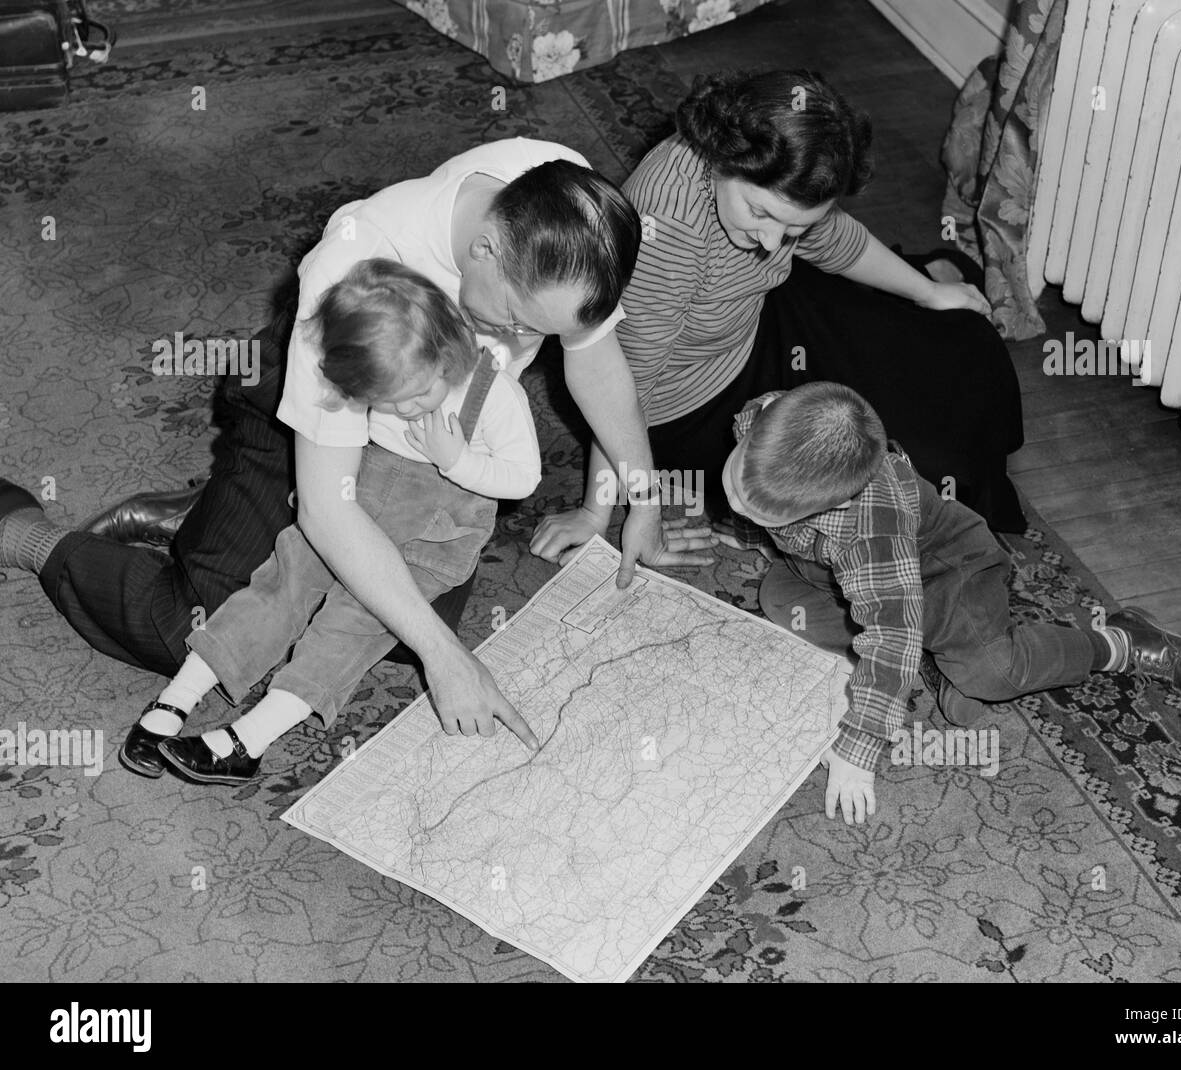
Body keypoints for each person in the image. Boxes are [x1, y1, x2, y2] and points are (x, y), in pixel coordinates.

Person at [0, 138, 715, 741]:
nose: (530, 342)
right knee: (189, 632)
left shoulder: (571, 215)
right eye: (522, 321)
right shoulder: (357, 262)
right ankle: (27, 532)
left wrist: (642, 498)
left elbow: (594, 359)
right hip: (316, 404)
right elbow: (331, 509)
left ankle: (215, 512)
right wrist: (449, 659)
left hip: (415, 450)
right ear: (488, 248)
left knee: (390, 616)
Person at [532, 68, 1027, 571]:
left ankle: (926, 272)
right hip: (689, 406)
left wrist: (929, 293)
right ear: (723, 160)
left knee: (960, 345)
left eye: (794, 228)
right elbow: (620, 381)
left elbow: (833, 240)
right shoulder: (669, 229)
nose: (772, 242)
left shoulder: (778, 188)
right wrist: (601, 510)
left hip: (757, 316)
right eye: (760, 214)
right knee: (906, 477)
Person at [120, 259, 540, 784]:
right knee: (277, 585)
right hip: (359, 503)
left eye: (413, 397)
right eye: (384, 402)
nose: (404, 410)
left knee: (347, 628)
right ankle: (178, 698)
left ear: (446, 351)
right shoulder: (381, 369)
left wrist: (458, 460)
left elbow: (525, 478)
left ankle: (247, 741)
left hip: (428, 540)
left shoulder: (494, 394)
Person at [718, 383, 1181, 826]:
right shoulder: (768, 421)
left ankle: (1120, 641)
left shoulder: (872, 529)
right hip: (842, 576)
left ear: (836, 504)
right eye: (737, 475)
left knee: (993, 673)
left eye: (753, 506)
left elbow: (891, 637)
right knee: (779, 599)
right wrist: (751, 529)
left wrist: (857, 750)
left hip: (947, 577)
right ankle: (934, 662)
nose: (736, 501)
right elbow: (755, 482)